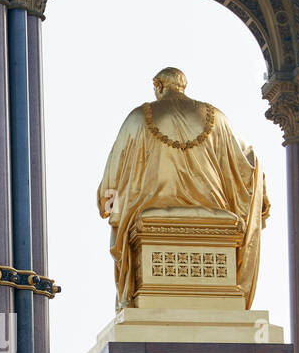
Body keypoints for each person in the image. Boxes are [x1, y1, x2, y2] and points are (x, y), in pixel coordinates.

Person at [97, 67, 270, 310]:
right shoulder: (216, 118)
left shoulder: (138, 117)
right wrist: (259, 179)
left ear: (158, 85)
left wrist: (108, 205)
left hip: (149, 229)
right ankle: (223, 297)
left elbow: (113, 174)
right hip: (217, 228)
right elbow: (244, 162)